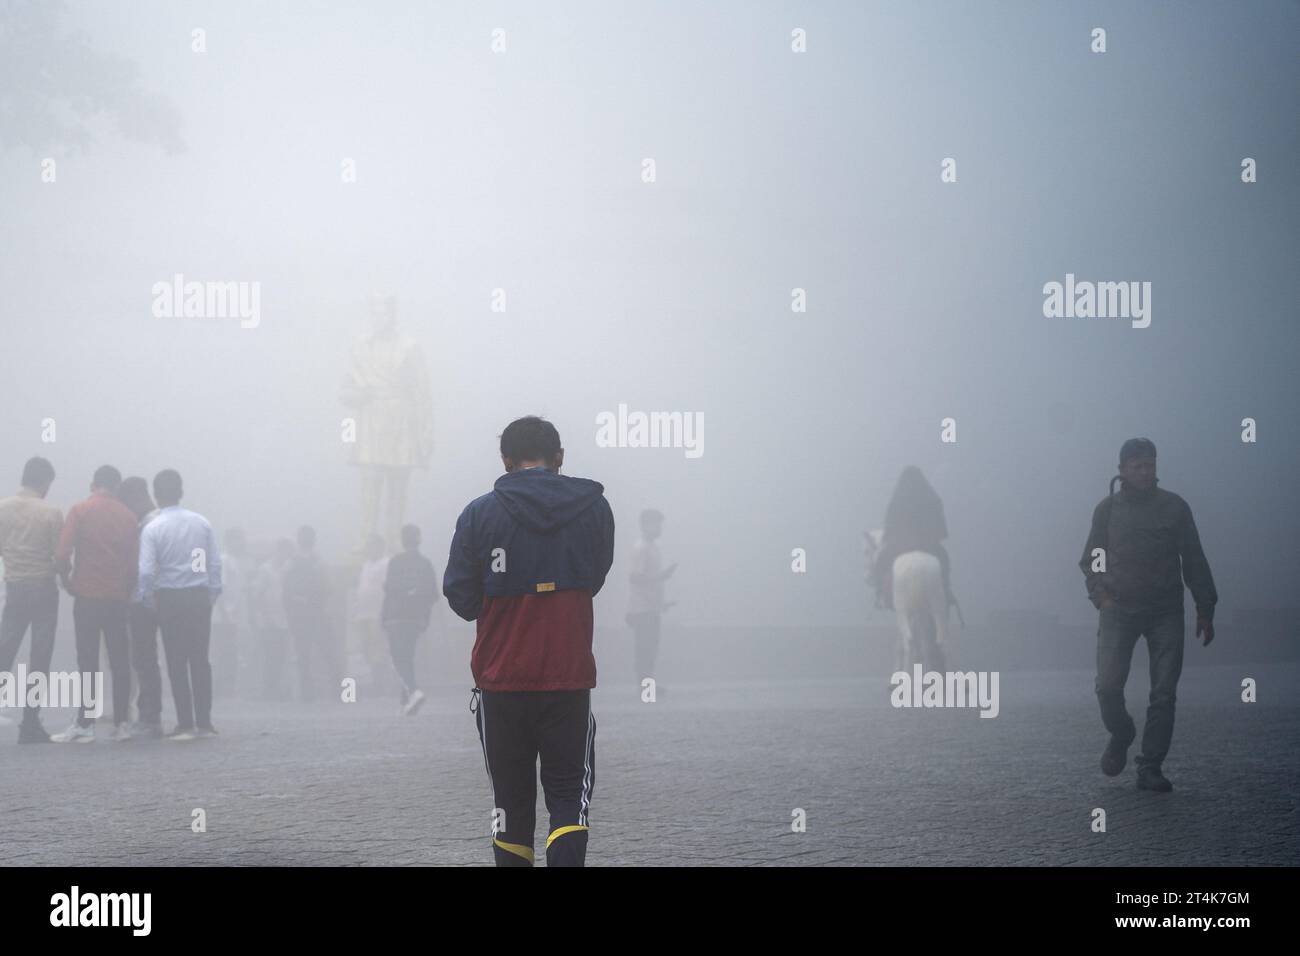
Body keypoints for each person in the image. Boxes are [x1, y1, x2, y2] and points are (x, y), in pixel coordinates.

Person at [444, 416, 614, 867]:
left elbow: (460, 598)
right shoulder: (595, 509)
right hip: (568, 676)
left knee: (510, 806)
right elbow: (595, 578)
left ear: (505, 461)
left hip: (502, 681)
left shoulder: (478, 514)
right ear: (560, 458)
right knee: (568, 801)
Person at [1079, 438, 1217, 793]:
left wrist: (1205, 607)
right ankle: (1122, 732)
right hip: (1118, 610)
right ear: (1122, 470)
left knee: (1164, 693)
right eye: (1137, 465)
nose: (1145, 471)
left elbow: (1194, 558)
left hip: (1165, 612)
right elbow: (1092, 559)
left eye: (1150, 465)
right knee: (1108, 686)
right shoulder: (1107, 510)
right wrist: (1102, 597)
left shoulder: (1175, 508)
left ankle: (1150, 766)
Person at [52, 465, 139, 742]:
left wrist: (66, 580)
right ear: (117, 486)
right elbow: (134, 561)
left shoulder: (80, 510)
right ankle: (123, 723)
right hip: (117, 597)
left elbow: (63, 552)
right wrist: (126, 588)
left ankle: (85, 724)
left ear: (93, 484)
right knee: (120, 660)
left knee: (88, 659)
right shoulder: (128, 516)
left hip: (87, 595)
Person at [137, 469, 223, 740]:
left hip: (170, 598)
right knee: (200, 659)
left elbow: (147, 571)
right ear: (181, 492)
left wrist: (148, 598)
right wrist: (211, 593)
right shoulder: (201, 523)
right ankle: (205, 722)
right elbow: (213, 563)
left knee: (176, 660)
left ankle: (184, 723)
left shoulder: (153, 528)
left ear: (156, 495)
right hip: (198, 595)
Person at [0, 457, 62, 743]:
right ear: (44, 481)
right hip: (42, 588)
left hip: (14, 587)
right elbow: (58, 556)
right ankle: (30, 721)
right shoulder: (51, 512)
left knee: (5, 649)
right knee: (40, 655)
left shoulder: (3, 507)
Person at [117, 476, 164, 738]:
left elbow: (140, 569)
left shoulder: (145, 527)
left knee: (144, 658)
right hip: (167, 598)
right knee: (170, 658)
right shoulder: (163, 521)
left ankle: (150, 716)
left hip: (143, 599)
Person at [871, 466, 953, 610]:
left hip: (900, 548)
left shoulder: (897, 500)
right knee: (943, 561)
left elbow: (890, 527)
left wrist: (896, 540)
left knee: (881, 563)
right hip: (928, 548)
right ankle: (945, 593)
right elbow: (940, 529)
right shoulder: (932, 500)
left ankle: (880, 595)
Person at [381, 524, 438, 715]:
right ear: (418, 539)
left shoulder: (396, 562)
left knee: (399, 658)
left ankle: (413, 691)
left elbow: (389, 589)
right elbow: (432, 594)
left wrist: (384, 616)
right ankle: (406, 700)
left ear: (403, 540)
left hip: (396, 617)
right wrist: (425, 617)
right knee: (408, 656)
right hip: (415, 618)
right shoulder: (425, 564)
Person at [283, 525, 335, 702]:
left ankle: (308, 694)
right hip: (316, 612)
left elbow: (286, 590)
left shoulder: (291, 562)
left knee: (304, 654)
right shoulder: (319, 561)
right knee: (328, 653)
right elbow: (328, 587)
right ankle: (340, 692)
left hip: (300, 614)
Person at [625, 508, 676, 689]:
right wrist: (661, 577)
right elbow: (635, 577)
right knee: (645, 650)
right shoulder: (641, 548)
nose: (659, 528)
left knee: (650, 649)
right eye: (656, 524)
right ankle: (646, 690)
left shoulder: (653, 547)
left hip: (650, 608)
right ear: (645, 525)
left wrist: (661, 603)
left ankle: (648, 687)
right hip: (641, 609)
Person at [252, 538, 295, 701]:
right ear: (278, 550)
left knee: (281, 656)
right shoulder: (265, 569)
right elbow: (258, 595)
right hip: (268, 621)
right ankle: (268, 689)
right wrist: (264, 616)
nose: (286, 555)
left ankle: (275, 688)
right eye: (284, 551)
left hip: (284, 620)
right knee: (270, 656)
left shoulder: (288, 568)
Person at [212, 527, 251, 699]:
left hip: (230, 617)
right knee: (224, 653)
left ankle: (226, 688)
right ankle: (222, 689)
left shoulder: (234, 562)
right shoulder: (224, 560)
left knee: (229, 653)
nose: (243, 543)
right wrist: (225, 614)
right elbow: (219, 589)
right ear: (230, 541)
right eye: (239, 539)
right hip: (223, 618)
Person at [350, 533, 390, 694]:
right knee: (367, 647)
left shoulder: (386, 563)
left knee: (378, 647)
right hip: (363, 613)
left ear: (379, 547)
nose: (369, 550)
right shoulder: (366, 564)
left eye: (372, 546)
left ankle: (379, 683)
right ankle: (374, 678)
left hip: (377, 612)